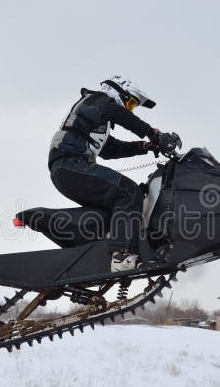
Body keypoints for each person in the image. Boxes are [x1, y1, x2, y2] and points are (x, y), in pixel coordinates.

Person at [47, 75, 176, 272]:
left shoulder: (93, 119)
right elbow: (116, 112)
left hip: (68, 169)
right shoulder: (96, 100)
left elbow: (109, 150)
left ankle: (101, 246)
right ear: (118, 91)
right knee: (128, 192)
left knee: (117, 204)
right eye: (131, 103)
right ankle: (122, 254)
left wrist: (145, 146)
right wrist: (153, 133)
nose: (129, 109)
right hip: (70, 165)